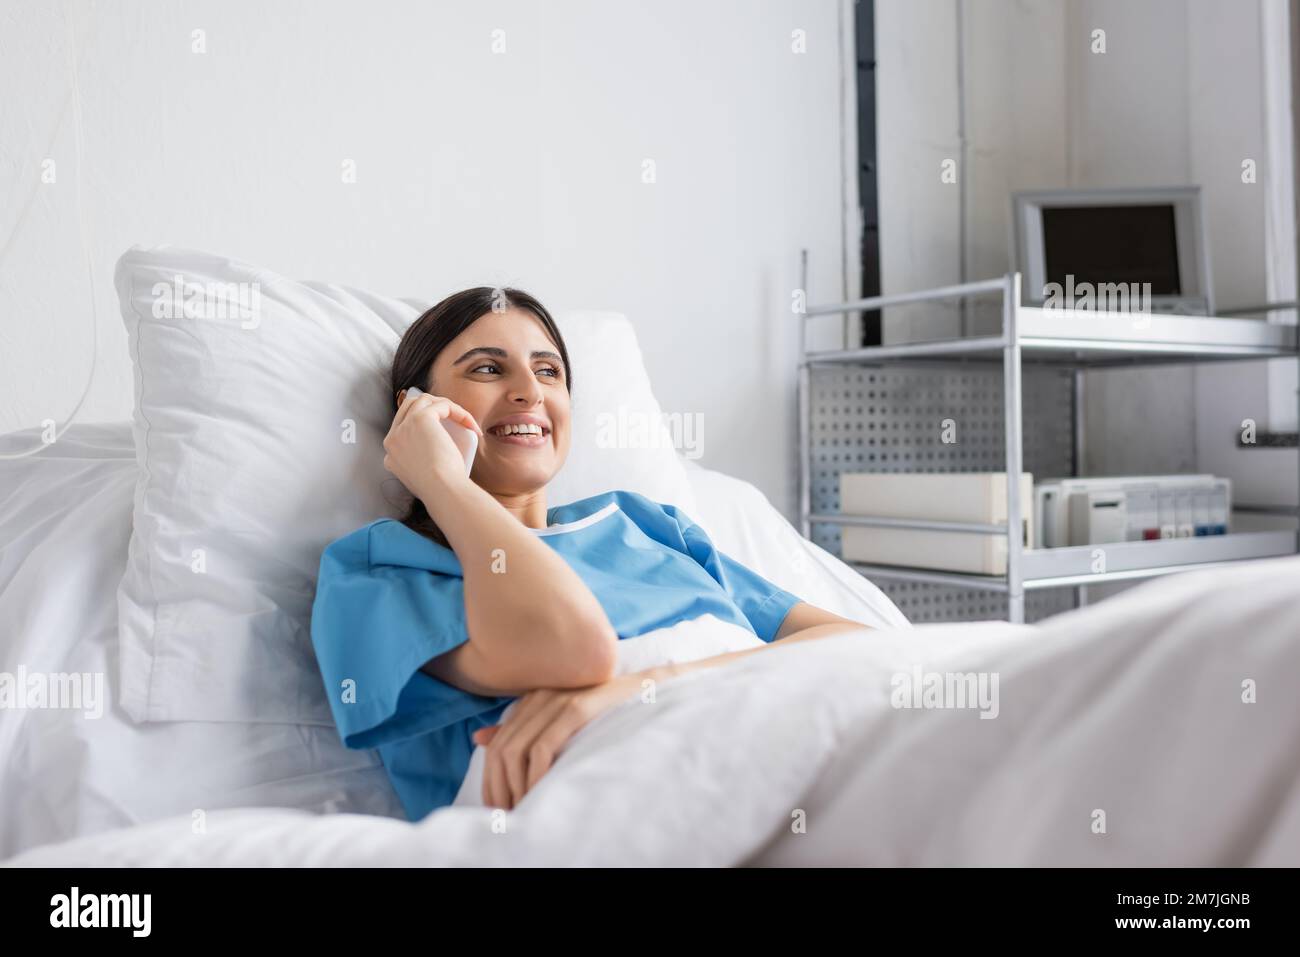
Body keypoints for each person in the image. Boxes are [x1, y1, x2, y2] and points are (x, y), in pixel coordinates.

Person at [310, 286, 868, 820]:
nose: (530, 390)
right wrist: (441, 482)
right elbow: (574, 651)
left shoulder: (643, 524)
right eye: (487, 367)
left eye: (548, 370)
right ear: (416, 409)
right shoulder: (378, 568)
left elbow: (858, 649)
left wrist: (632, 691)